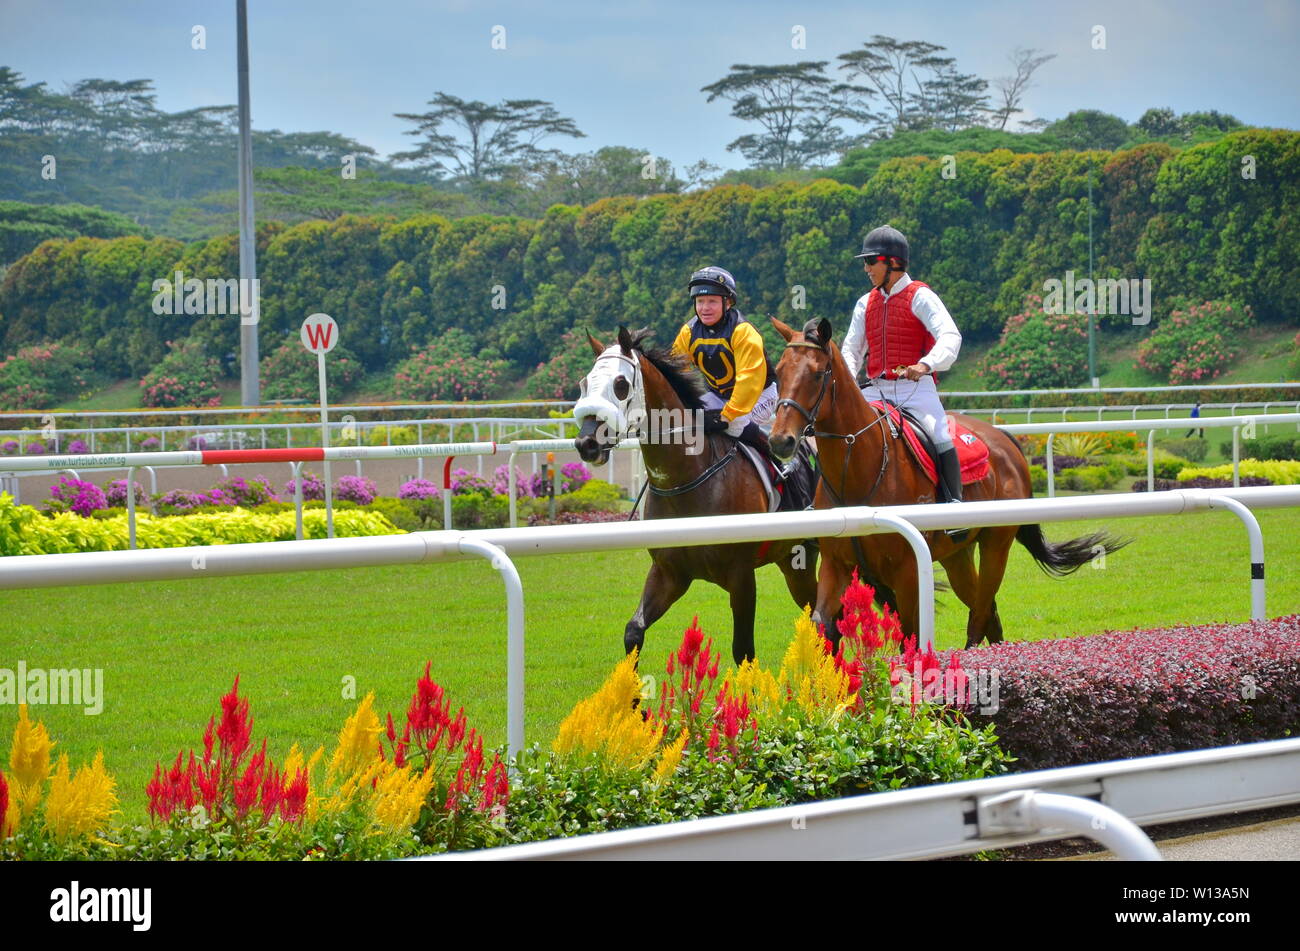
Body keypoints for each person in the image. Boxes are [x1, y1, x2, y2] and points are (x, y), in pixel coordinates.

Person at [840, 226, 967, 538]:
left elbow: (950, 337)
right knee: (841, 434)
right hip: (875, 390)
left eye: (871, 261)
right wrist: (849, 384)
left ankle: (956, 510)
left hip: (915, 390)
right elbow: (851, 349)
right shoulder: (864, 303)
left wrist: (925, 364)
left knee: (939, 434)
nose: (866, 268)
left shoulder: (921, 296)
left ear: (892, 262)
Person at [672, 266, 779, 458]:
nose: (704, 308)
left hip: (759, 396)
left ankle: (778, 459)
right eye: (700, 301)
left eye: (712, 301)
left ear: (728, 302)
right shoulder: (688, 332)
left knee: (733, 424)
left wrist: (725, 416)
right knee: (683, 423)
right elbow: (676, 373)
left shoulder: (743, 332)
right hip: (718, 396)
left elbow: (748, 381)